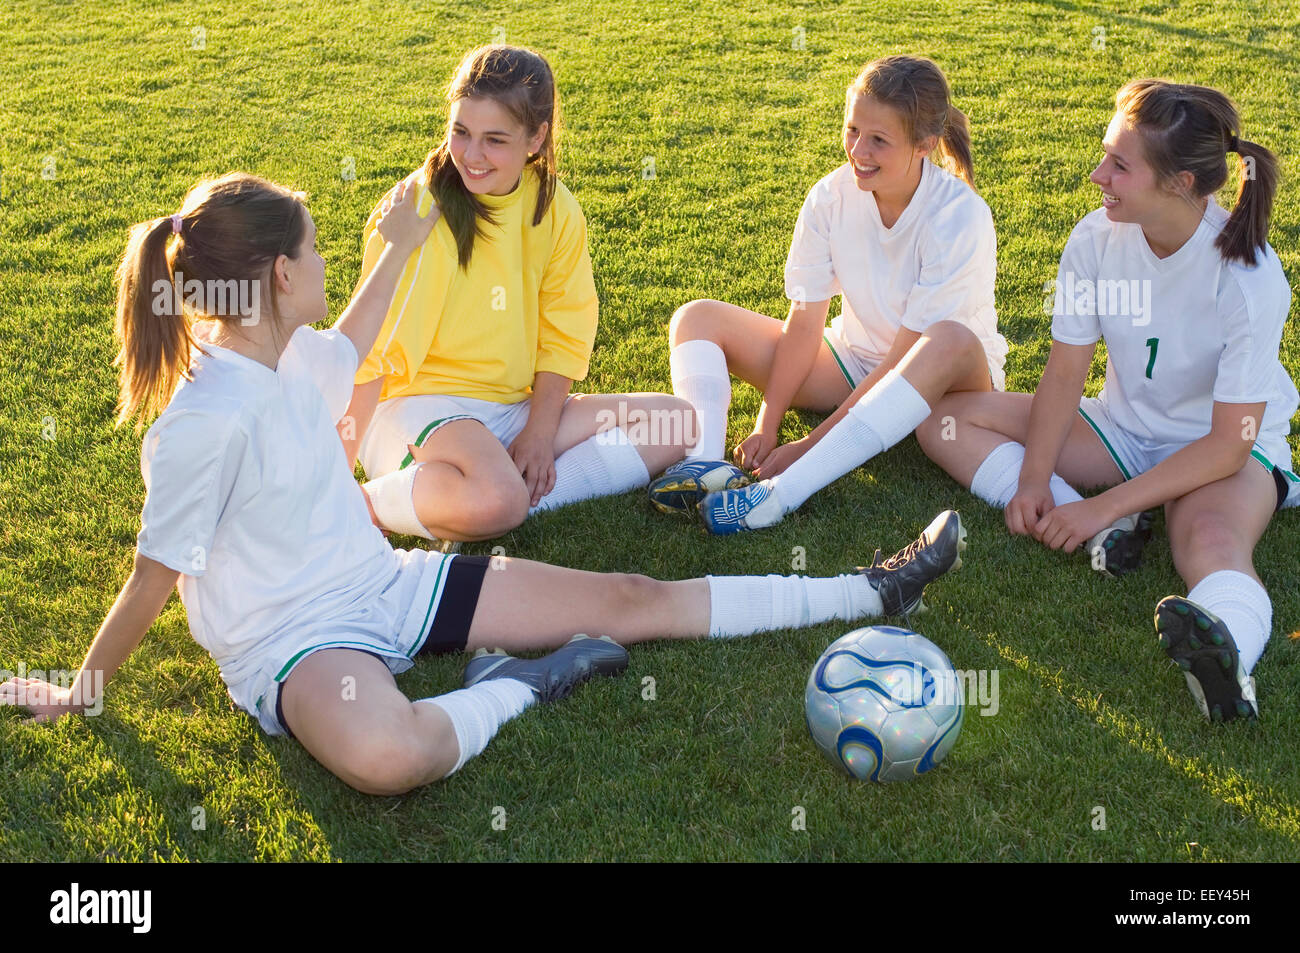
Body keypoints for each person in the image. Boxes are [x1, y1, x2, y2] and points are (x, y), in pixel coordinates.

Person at [0, 172, 968, 796]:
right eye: (318, 248)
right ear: (278, 271)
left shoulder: (291, 356)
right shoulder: (200, 422)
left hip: (387, 584)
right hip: (298, 644)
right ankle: (516, 686)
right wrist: (84, 689)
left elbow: (360, 332)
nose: (330, 262)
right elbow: (153, 578)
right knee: (390, 758)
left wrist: (403, 241)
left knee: (634, 598)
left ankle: (871, 586)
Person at [919, 80, 1297, 723]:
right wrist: (1035, 479)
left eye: (1120, 165)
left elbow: (1230, 440)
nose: (1099, 176)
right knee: (945, 419)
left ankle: (1230, 652)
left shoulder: (1249, 278)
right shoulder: (1096, 239)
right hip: (1120, 431)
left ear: (1180, 182)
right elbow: (1066, 373)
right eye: (1105, 156)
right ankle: (1101, 529)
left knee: (1206, 543)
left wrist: (1106, 503)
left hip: (1220, 454)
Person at [342, 45, 693, 546]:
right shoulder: (419, 210)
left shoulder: (555, 207)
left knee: (674, 424)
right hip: (420, 409)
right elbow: (375, 354)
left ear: (537, 137)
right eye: (460, 132)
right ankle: (368, 503)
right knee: (500, 498)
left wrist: (539, 433)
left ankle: (488, 494)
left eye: (495, 140)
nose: (472, 155)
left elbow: (564, 328)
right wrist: (335, 478)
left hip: (511, 410)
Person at [660, 55, 1007, 533]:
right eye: (852, 131)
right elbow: (804, 323)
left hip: (949, 382)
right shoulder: (830, 195)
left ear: (925, 145)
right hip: (853, 361)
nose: (858, 150)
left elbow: (901, 360)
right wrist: (769, 420)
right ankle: (703, 465)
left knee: (943, 340)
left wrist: (809, 445)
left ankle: (783, 493)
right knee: (695, 318)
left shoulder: (959, 216)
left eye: (879, 140)